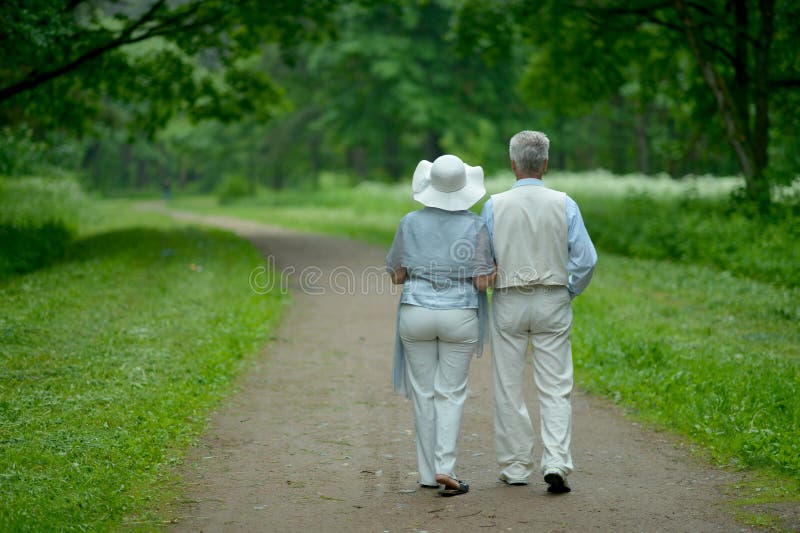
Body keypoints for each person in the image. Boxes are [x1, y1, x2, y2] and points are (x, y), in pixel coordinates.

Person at [481, 130, 597, 493]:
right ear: (545, 163)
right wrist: (568, 289)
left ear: (512, 163)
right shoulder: (565, 203)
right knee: (555, 384)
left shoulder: (493, 204)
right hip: (551, 297)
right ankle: (557, 461)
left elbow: (484, 259)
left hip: (509, 298)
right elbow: (586, 259)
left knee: (508, 384)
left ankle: (515, 465)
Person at [387, 154, 495, 497]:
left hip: (416, 311)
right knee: (451, 393)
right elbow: (481, 284)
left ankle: (425, 474)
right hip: (459, 314)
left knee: (424, 393)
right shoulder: (476, 225)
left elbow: (397, 275)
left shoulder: (409, 222)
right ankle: (445, 468)